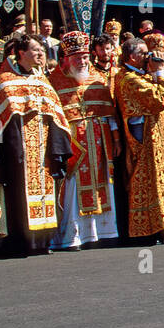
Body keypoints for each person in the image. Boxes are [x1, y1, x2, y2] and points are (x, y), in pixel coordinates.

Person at [0, 34, 75, 257]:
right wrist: (4, 152)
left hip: (44, 150)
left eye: (42, 50)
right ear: (21, 53)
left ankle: (43, 240)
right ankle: (20, 241)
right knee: (18, 195)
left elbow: (57, 116)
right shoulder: (4, 81)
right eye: (35, 50)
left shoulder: (43, 81)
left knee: (45, 193)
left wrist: (58, 148)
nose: (41, 54)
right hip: (17, 151)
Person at [47, 32, 122, 250]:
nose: (82, 61)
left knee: (103, 186)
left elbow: (109, 114)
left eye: (84, 57)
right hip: (73, 144)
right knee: (72, 189)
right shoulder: (55, 81)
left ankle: (103, 232)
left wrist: (116, 140)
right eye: (77, 57)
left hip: (100, 144)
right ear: (67, 58)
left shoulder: (97, 80)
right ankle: (74, 237)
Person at [115, 36, 164, 242]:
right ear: (132, 56)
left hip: (154, 137)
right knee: (146, 183)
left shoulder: (141, 75)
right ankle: (144, 232)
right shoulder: (129, 79)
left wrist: (156, 72)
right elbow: (163, 99)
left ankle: (158, 228)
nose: (147, 57)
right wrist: (159, 72)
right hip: (143, 141)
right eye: (143, 53)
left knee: (157, 183)